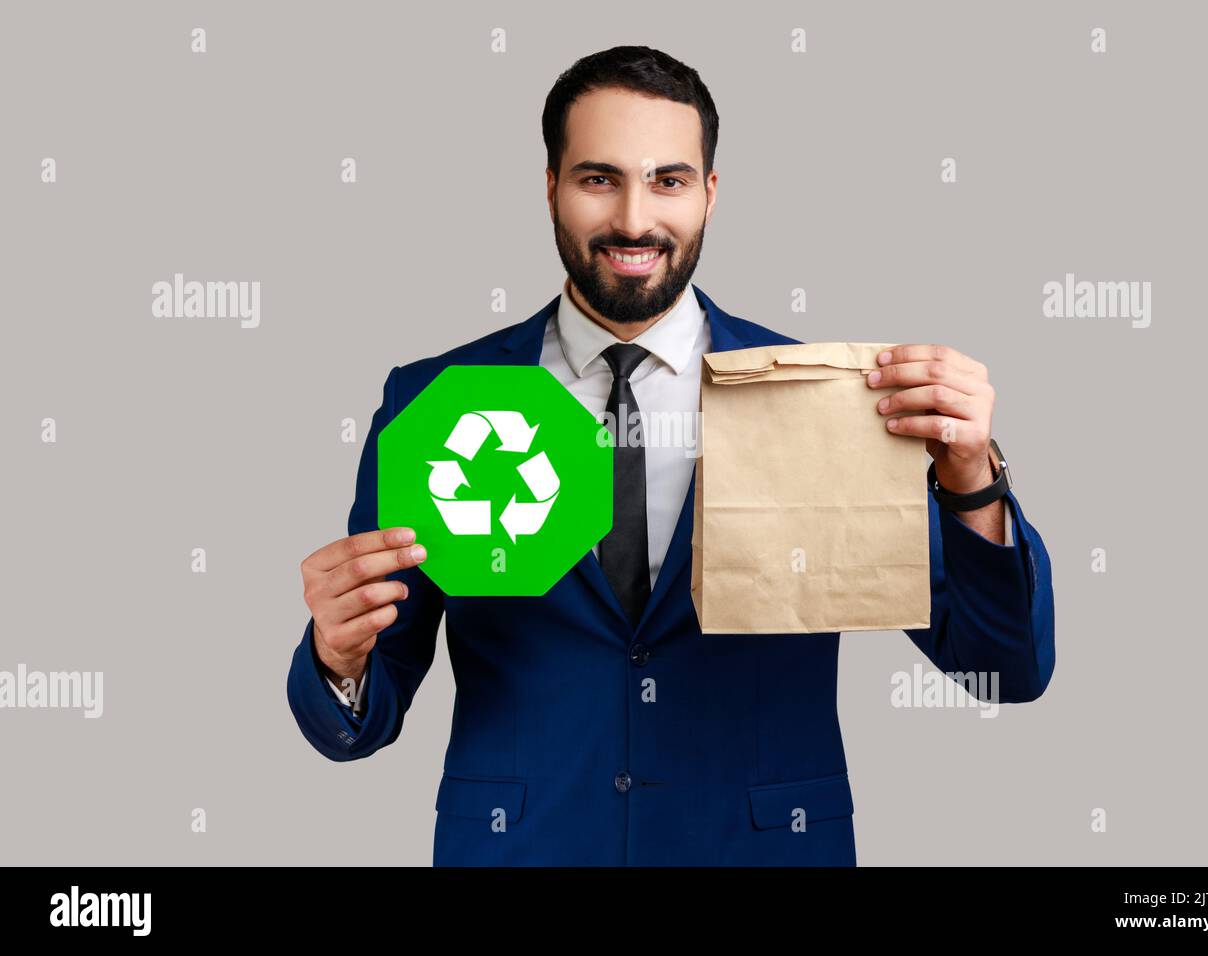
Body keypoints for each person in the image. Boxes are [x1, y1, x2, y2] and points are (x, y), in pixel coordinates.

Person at [288, 45, 1055, 866]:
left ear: (710, 194)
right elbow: (361, 717)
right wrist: (337, 657)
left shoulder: (821, 400)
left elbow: (1001, 670)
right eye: (598, 178)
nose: (632, 219)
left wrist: (971, 481)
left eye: (668, 180)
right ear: (549, 186)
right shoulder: (436, 403)